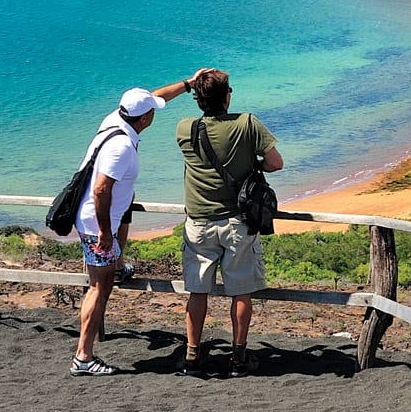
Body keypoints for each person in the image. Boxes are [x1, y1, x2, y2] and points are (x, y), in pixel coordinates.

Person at [68, 73, 199, 376]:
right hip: (96, 224)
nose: (155, 110)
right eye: (152, 110)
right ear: (144, 119)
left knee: (103, 279)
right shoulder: (122, 147)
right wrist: (104, 233)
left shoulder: (117, 117)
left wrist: (188, 83)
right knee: (99, 288)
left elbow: (158, 96)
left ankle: (118, 265)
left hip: (99, 217)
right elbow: (101, 189)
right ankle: (83, 357)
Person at [175, 68, 283, 378]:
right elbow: (275, 163)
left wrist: (188, 84)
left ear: (198, 99)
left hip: (198, 221)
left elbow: (153, 101)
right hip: (237, 221)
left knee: (197, 292)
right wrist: (252, 165)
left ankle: (193, 355)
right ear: (227, 96)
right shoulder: (247, 123)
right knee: (241, 292)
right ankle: (238, 358)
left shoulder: (185, 129)